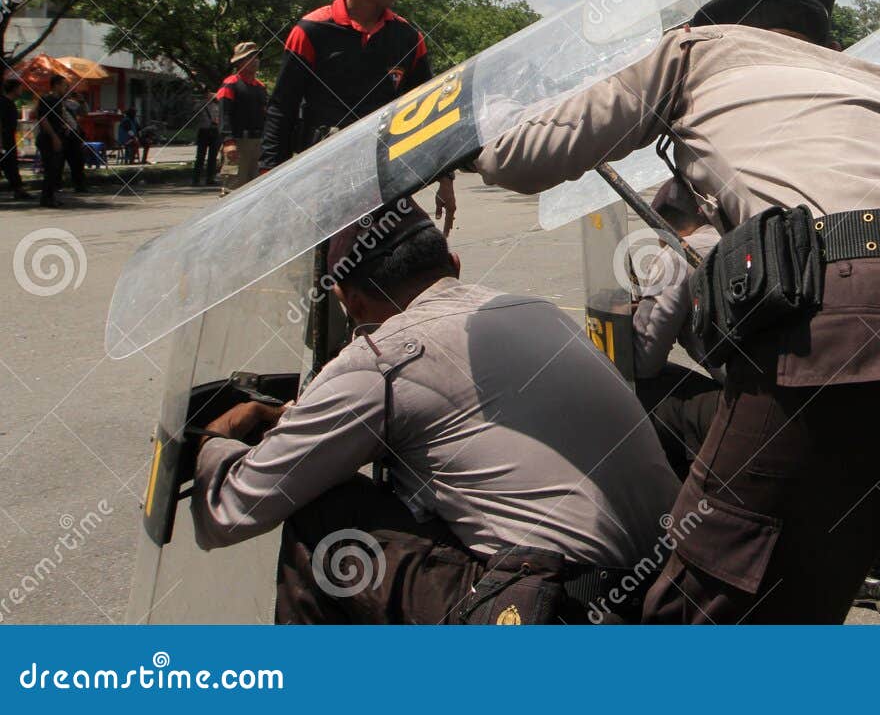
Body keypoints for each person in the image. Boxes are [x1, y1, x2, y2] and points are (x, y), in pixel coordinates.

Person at [474, 0, 880, 624]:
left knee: (717, 605)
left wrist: (477, 117)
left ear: (718, 24)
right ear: (820, 36)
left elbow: (525, 154)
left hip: (863, 308)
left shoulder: (694, 52)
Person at [190, 197, 678, 624]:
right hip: (666, 589)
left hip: (554, 612)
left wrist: (218, 438)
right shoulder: (532, 308)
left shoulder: (382, 360)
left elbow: (231, 511)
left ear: (349, 300)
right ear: (454, 263)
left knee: (322, 516)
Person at [261, 0, 455, 232]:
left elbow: (429, 112)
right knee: (328, 268)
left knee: (394, 262)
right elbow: (281, 109)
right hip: (322, 181)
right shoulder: (311, 31)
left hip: (385, 178)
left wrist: (445, 177)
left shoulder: (408, 38)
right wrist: (270, 178)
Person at [629, 179, 724, 481]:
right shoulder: (738, 233)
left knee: (636, 389)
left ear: (660, 228)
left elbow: (645, 362)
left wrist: (643, 305)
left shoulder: (678, 253)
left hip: (758, 408)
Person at [216, 41, 268, 192]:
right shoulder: (231, 84)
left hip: (257, 143)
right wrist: (228, 142)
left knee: (257, 188)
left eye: (257, 57)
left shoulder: (260, 87)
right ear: (239, 62)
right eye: (250, 58)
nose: (255, 61)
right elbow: (224, 114)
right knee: (233, 188)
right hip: (238, 143)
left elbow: (265, 115)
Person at [34, 75, 73, 208]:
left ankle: (51, 196)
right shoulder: (47, 99)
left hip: (57, 137)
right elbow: (43, 120)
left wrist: (64, 127)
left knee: (56, 169)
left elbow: (57, 119)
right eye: (64, 85)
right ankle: (46, 198)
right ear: (56, 85)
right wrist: (54, 137)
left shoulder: (59, 101)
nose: (66, 88)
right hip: (48, 139)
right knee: (50, 169)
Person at [1, 76, 29, 201]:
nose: (21, 91)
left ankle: (19, 189)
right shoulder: (3, 103)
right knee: (9, 164)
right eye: (19, 88)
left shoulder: (10, 103)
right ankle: (18, 189)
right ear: (14, 89)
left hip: (9, 138)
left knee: (11, 165)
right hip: (3, 139)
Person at [192, 93, 221, 186]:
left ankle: (210, 178)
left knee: (213, 157)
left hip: (215, 131)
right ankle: (196, 180)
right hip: (203, 131)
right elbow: (195, 111)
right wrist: (205, 101)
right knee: (200, 156)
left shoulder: (217, 105)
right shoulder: (201, 104)